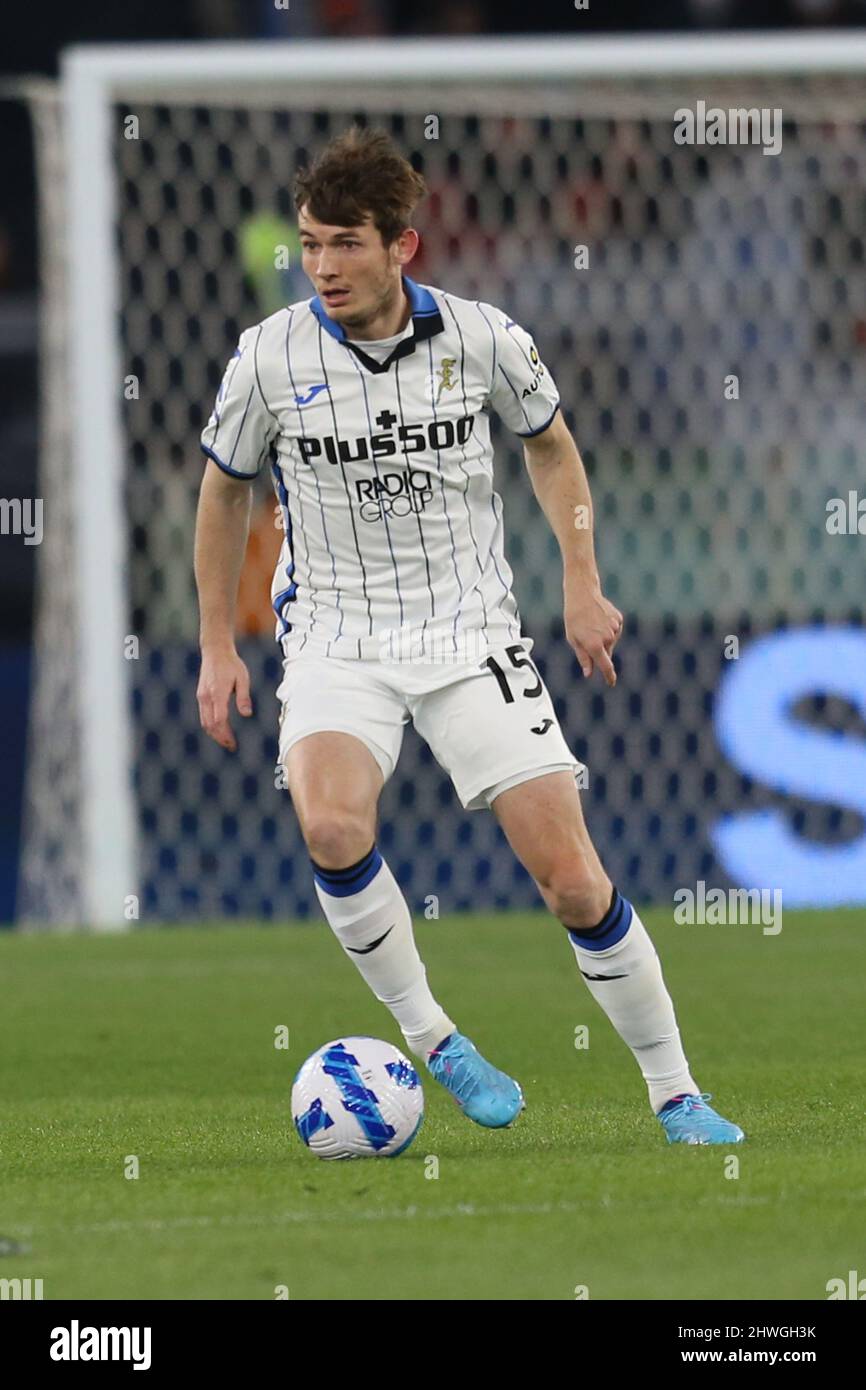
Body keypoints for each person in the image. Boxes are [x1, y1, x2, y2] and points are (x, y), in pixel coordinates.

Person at [194, 127, 743, 1144]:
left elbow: (553, 451)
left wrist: (581, 584)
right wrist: (215, 645)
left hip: (469, 634)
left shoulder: (484, 337)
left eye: (344, 245)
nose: (322, 266)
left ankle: (675, 1091)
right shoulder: (269, 355)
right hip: (335, 638)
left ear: (401, 246)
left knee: (572, 879)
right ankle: (434, 1036)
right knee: (328, 826)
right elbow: (222, 494)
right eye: (311, 245)